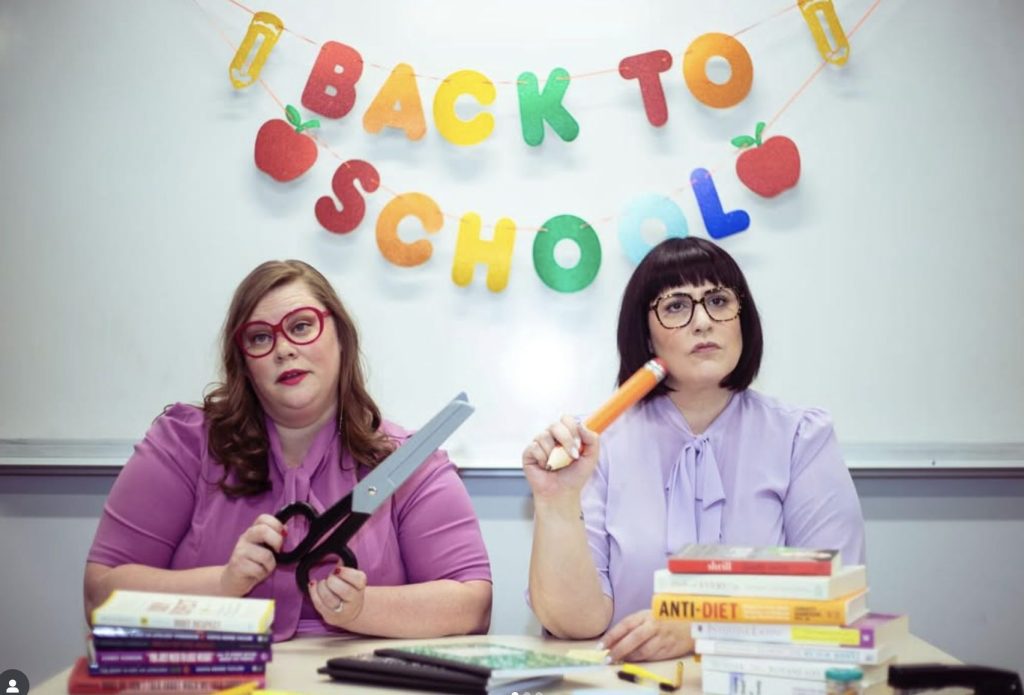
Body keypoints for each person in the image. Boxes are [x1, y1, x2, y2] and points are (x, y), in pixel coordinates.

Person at [84, 260, 492, 641]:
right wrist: (223, 584)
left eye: (301, 326)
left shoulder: (407, 462)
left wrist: (361, 609)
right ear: (244, 364)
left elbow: (473, 605)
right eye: (260, 337)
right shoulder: (183, 445)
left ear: (341, 338)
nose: (283, 349)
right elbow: (99, 595)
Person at [522, 237, 865, 663]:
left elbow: (837, 596)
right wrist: (556, 501)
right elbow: (576, 624)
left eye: (718, 301)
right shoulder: (595, 443)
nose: (702, 322)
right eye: (676, 306)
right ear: (646, 336)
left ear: (743, 320)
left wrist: (703, 626)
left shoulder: (801, 437)